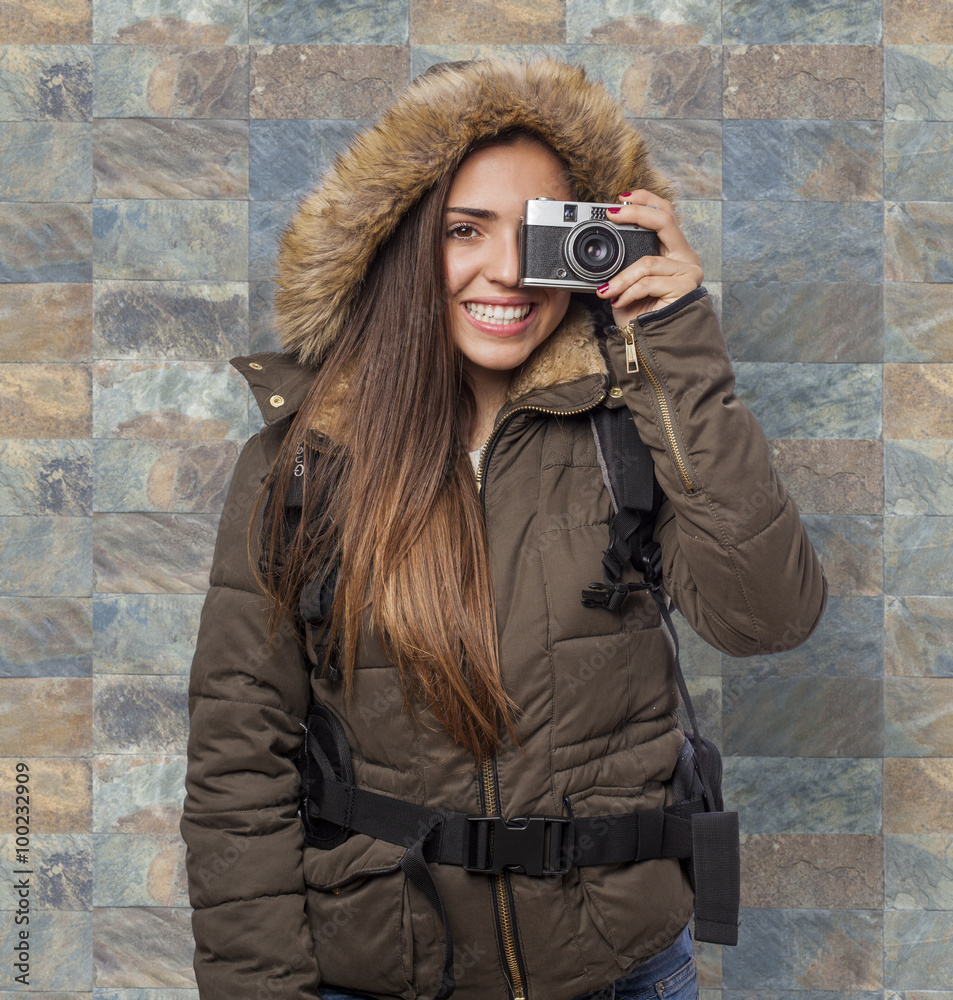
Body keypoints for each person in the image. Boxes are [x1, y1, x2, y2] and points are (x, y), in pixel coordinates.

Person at [181, 58, 827, 1000]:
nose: (506, 271)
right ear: (398, 243)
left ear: (592, 242)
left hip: (622, 972)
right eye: (463, 230)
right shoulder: (303, 464)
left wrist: (677, 341)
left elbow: (768, 618)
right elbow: (238, 767)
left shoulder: (632, 431)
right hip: (379, 974)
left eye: (541, 234)